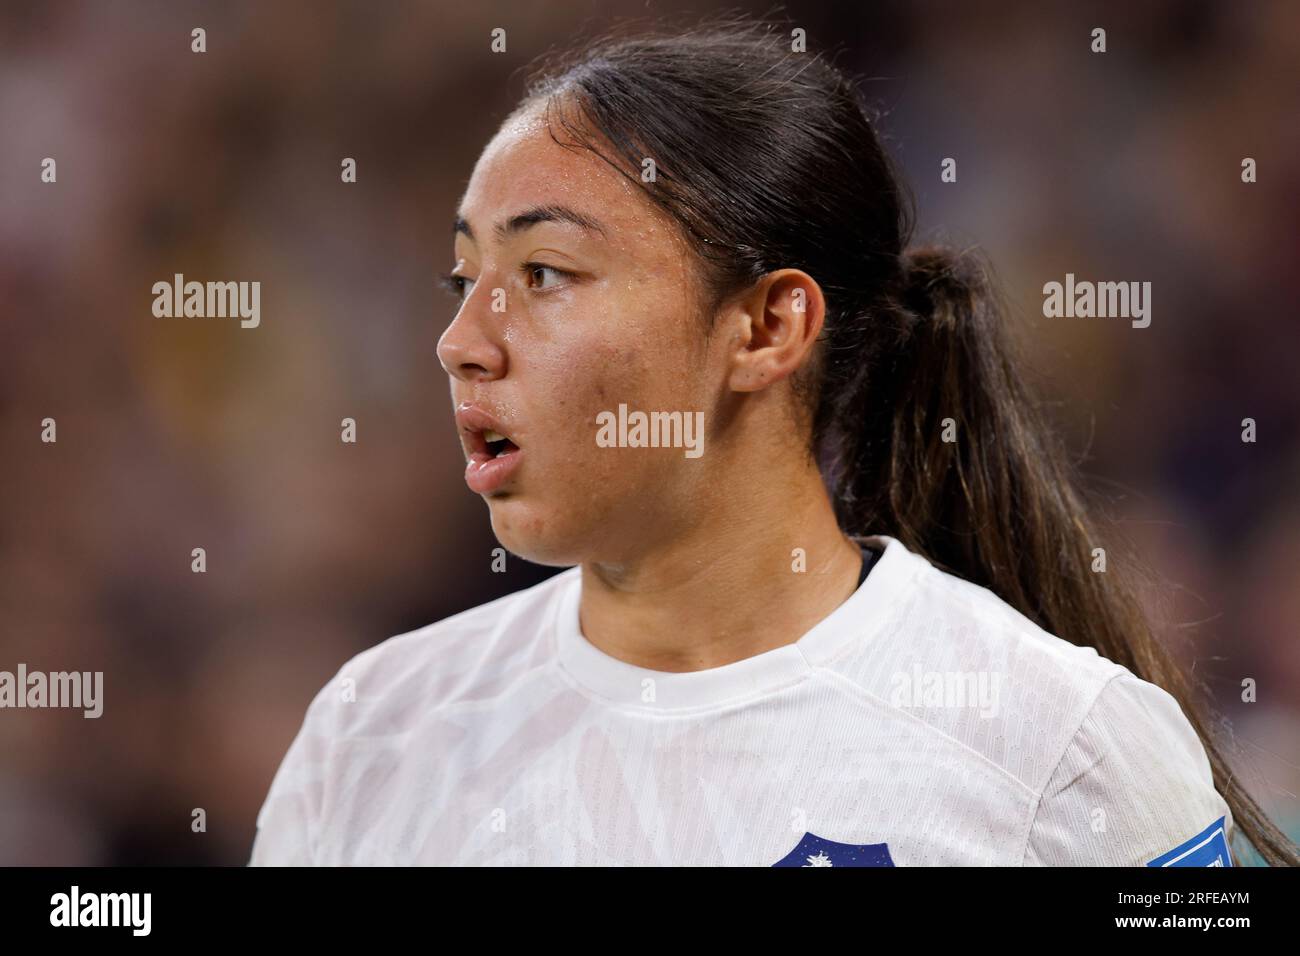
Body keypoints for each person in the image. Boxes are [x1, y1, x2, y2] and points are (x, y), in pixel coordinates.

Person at [249, 19, 1296, 866]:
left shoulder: (1062, 749)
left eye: (545, 276)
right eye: (461, 280)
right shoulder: (369, 734)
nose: (461, 343)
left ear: (764, 326)